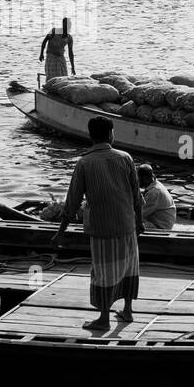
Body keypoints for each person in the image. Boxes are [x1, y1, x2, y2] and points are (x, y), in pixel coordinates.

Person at [52, 116, 144, 330]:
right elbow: (136, 195)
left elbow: (72, 202)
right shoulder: (125, 157)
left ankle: (104, 319)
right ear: (111, 134)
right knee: (129, 267)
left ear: (90, 135)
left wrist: (61, 231)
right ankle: (127, 310)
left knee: (104, 271)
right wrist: (139, 222)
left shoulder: (85, 162)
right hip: (126, 224)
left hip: (102, 228)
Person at [138, 164, 176, 230]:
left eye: (138, 178)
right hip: (163, 221)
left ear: (144, 178)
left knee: (131, 222)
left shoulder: (154, 192)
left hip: (161, 226)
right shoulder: (155, 184)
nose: (137, 181)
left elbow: (141, 214)